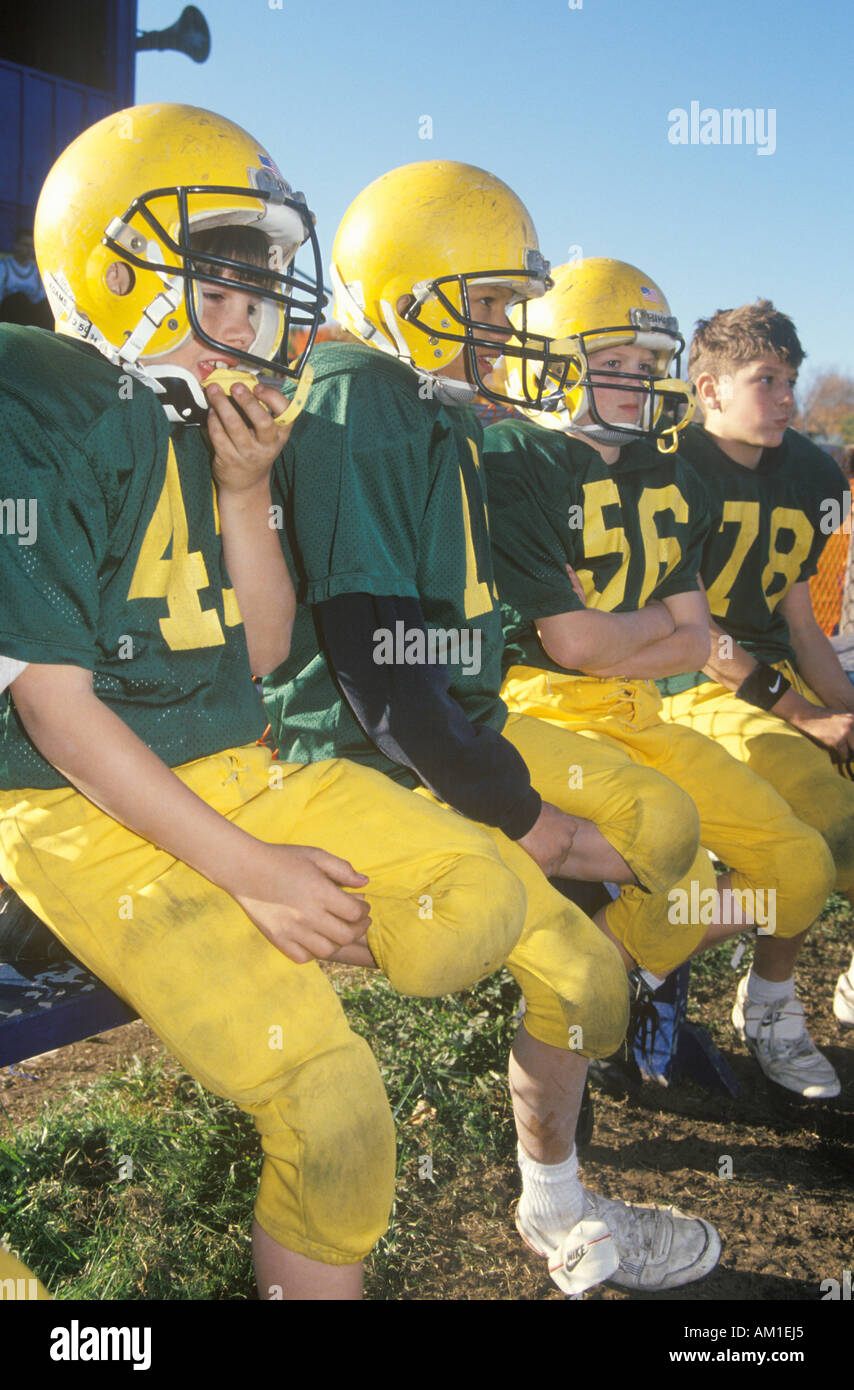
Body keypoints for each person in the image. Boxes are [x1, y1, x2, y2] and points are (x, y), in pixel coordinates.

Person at [0, 104, 530, 1302]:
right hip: (64, 798)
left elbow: (266, 647)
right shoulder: (30, 395)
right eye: (221, 292)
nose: (250, 323)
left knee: (477, 903)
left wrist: (245, 491)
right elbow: (58, 716)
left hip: (212, 759)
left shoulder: (201, 420)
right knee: (333, 1098)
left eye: (261, 293)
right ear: (112, 266)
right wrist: (249, 869)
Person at [262, 162, 721, 1297]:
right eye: (481, 310)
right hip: (360, 754)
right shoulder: (357, 394)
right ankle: (552, 1203)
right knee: (574, 955)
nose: (503, 334)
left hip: (433, 737)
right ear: (393, 290)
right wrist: (524, 818)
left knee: (625, 916)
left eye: (507, 311)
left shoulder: (420, 402)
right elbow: (375, 663)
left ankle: (552, 1186)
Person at [481, 259, 837, 1099]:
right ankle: (582, 996)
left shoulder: (656, 470)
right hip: (542, 710)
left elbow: (690, 642)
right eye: (615, 365)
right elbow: (569, 649)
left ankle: (611, 957)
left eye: (646, 368)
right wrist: (641, 636)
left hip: (640, 710)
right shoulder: (512, 458)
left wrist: (618, 638)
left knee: (799, 871)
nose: (638, 386)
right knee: (679, 849)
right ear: (549, 359)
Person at [656, 299, 854, 1084]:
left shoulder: (806, 468)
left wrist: (844, 712)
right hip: (685, 678)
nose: (786, 398)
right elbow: (699, 638)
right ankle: (769, 1002)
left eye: (793, 380)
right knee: (826, 819)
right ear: (706, 389)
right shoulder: (671, 461)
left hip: (775, 672)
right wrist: (808, 717)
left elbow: (801, 621)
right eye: (765, 379)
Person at [0, 227, 51, 327]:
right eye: (25, 245)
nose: (29, 250)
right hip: (8, 317)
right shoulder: (4, 268)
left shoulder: (37, 271)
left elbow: (41, 299)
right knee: (19, 298)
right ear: (16, 245)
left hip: (29, 318)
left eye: (32, 247)